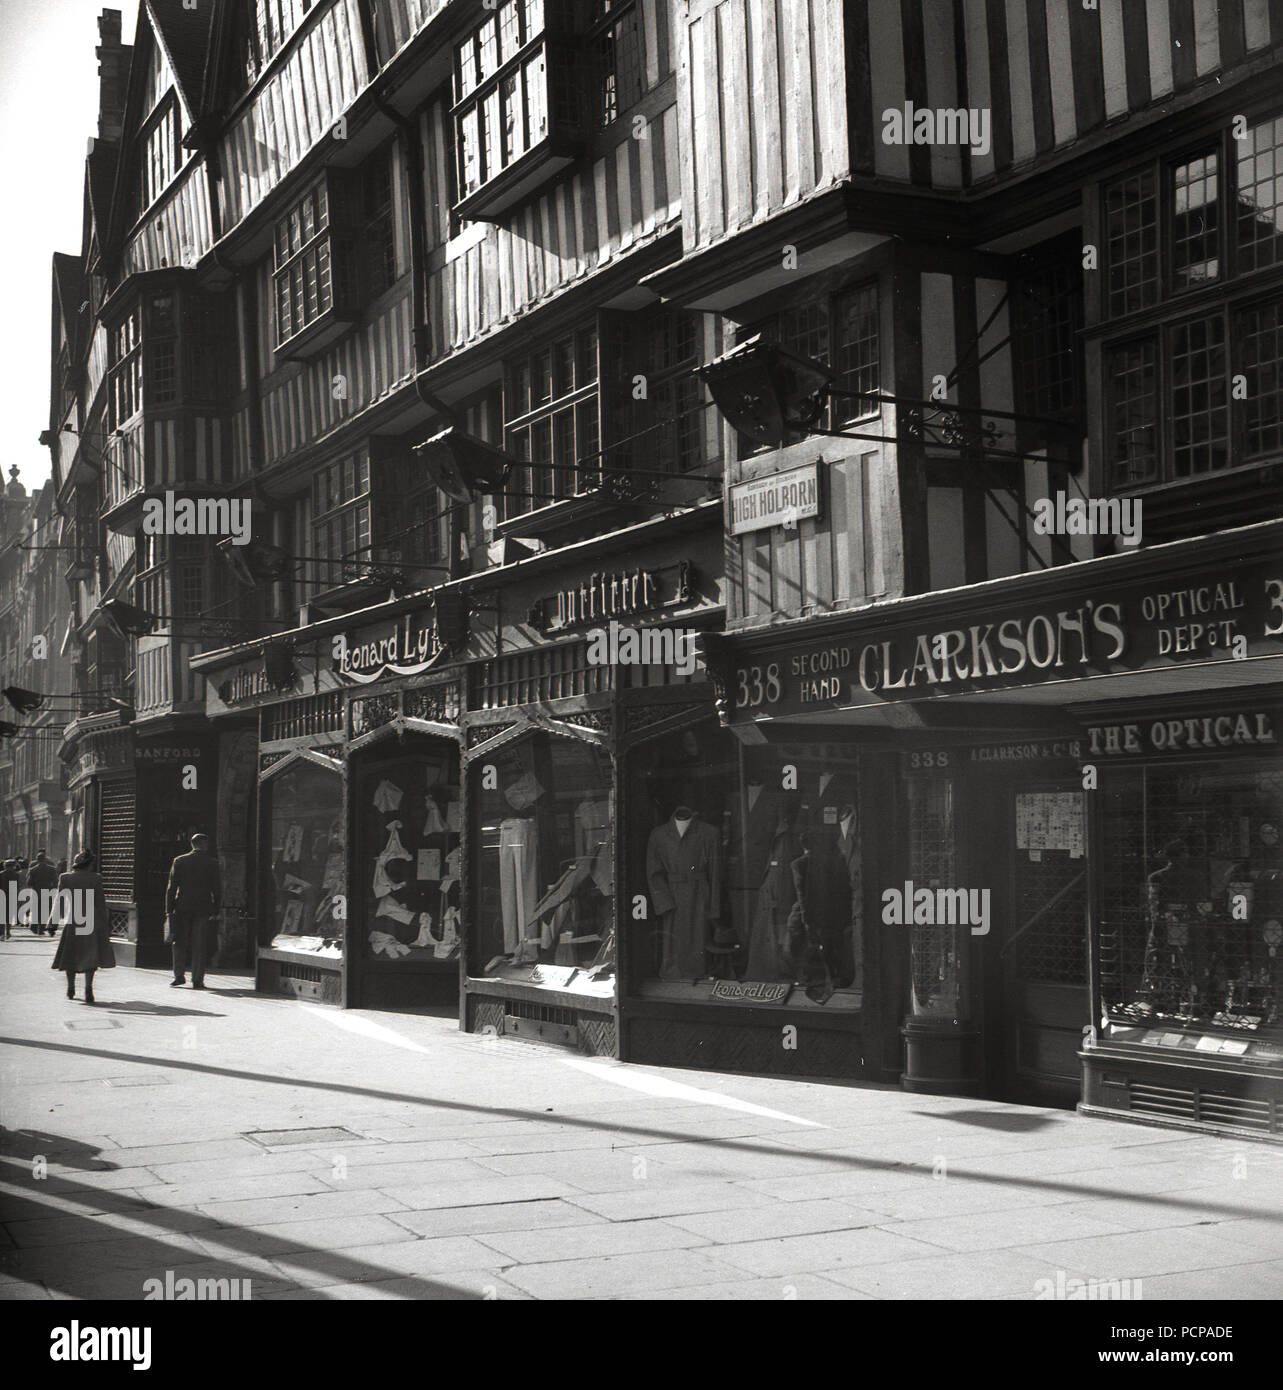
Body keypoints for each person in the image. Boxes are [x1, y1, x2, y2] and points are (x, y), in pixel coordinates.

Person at [50, 850, 113, 1003]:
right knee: (90, 956)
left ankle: (71, 987)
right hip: (91, 921)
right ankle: (88, 988)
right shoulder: (95, 878)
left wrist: (52, 923)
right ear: (89, 864)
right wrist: (105, 922)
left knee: (70, 954)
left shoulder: (65, 878)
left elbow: (60, 901)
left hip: (73, 920)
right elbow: (100, 902)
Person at [166, 833, 221, 989]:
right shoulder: (212, 863)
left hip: (182, 906)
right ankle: (197, 978)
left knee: (179, 941)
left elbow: (171, 888)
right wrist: (216, 907)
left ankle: (178, 975)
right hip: (203, 907)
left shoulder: (180, 861)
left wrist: (169, 909)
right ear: (204, 844)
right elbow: (217, 889)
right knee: (199, 943)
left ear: (192, 844)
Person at [25, 851, 60, 935]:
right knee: (45, 910)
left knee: (36, 910)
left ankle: (34, 926)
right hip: (47, 892)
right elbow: (56, 881)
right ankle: (41, 928)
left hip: (36, 892)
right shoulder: (52, 869)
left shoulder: (33, 870)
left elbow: (29, 883)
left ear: (37, 860)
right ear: (45, 859)